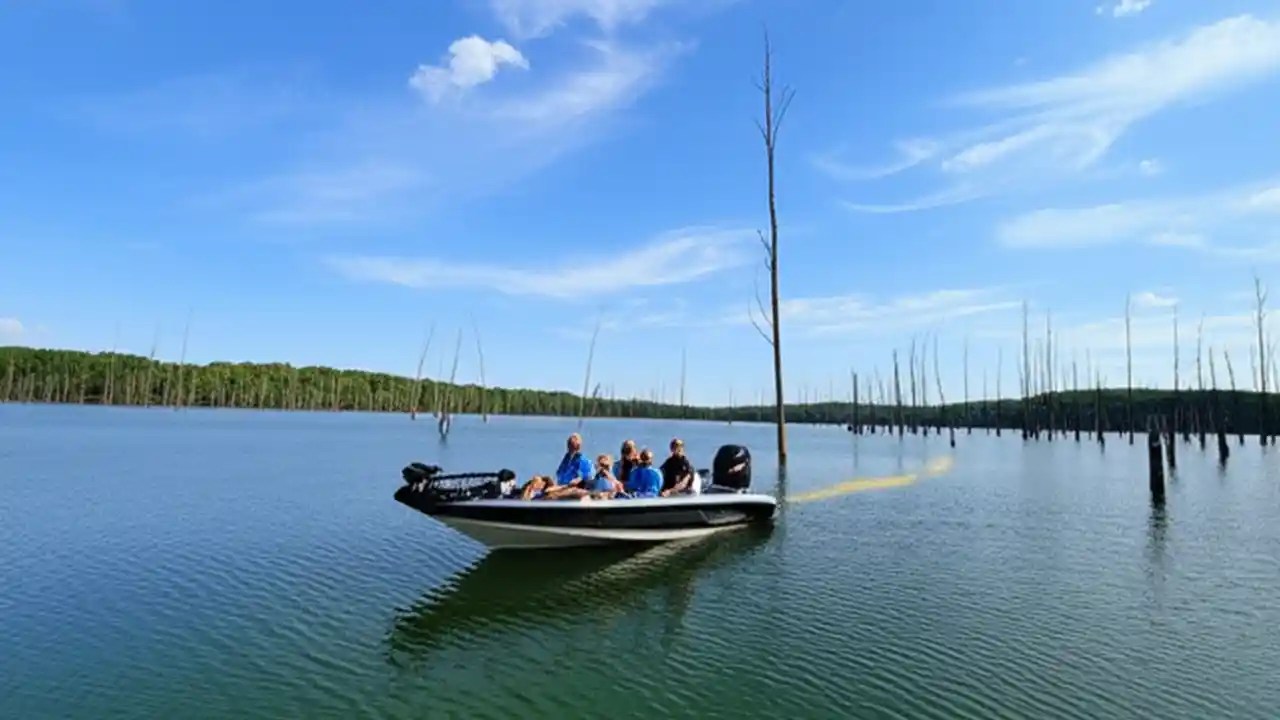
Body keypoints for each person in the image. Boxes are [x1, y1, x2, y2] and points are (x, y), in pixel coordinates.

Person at [541, 432, 593, 500]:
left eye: (573, 444)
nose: (570, 446)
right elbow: (559, 473)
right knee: (546, 492)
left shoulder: (583, 460)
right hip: (562, 487)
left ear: (578, 446)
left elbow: (588, 475)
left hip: (573, 488)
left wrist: (579, 479)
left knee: (551, 496)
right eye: (570, 443)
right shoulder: (565, 460)